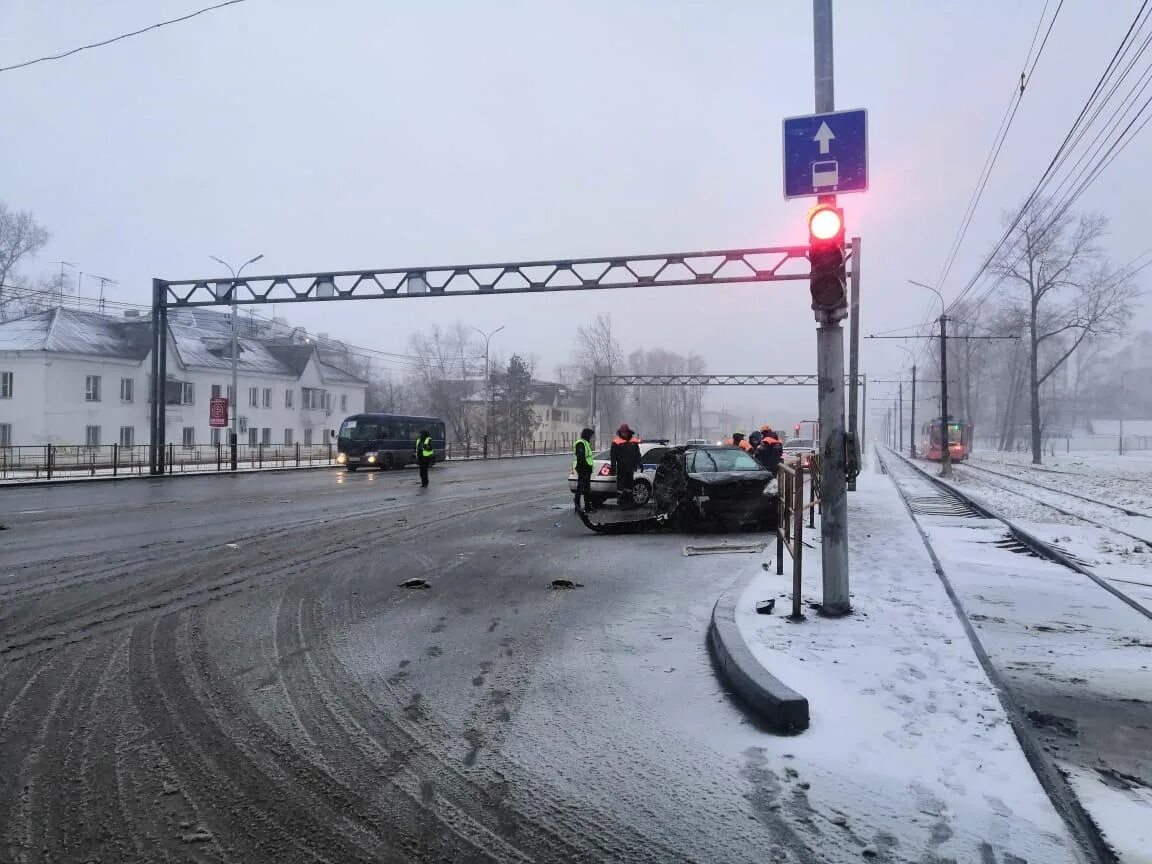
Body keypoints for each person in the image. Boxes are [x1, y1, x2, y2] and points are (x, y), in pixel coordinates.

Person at [610, 423, 642, 508]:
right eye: (622, 432)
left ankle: (629, 501)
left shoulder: (633, 441)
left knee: (629, 485)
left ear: (628, 432)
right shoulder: (616, 442)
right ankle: (621, 502)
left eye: (625, 432)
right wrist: (613, 467)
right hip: (621, 467)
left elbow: (637, 453)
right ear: (620, 432)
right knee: (621, 486)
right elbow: (613, 457)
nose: (624, 434)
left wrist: (640, 462)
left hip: (630, 467)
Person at [572, 427, 597, 513]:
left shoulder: (586, 443)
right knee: (580, 488)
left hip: (587, 469)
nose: (591, 437)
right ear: (587, 435)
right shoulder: (580, 443)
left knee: (586, 489)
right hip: (583, 469)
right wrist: (583, 468)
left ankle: (587, 507)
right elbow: (581, 457)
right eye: (590, 436)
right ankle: (578, 507)